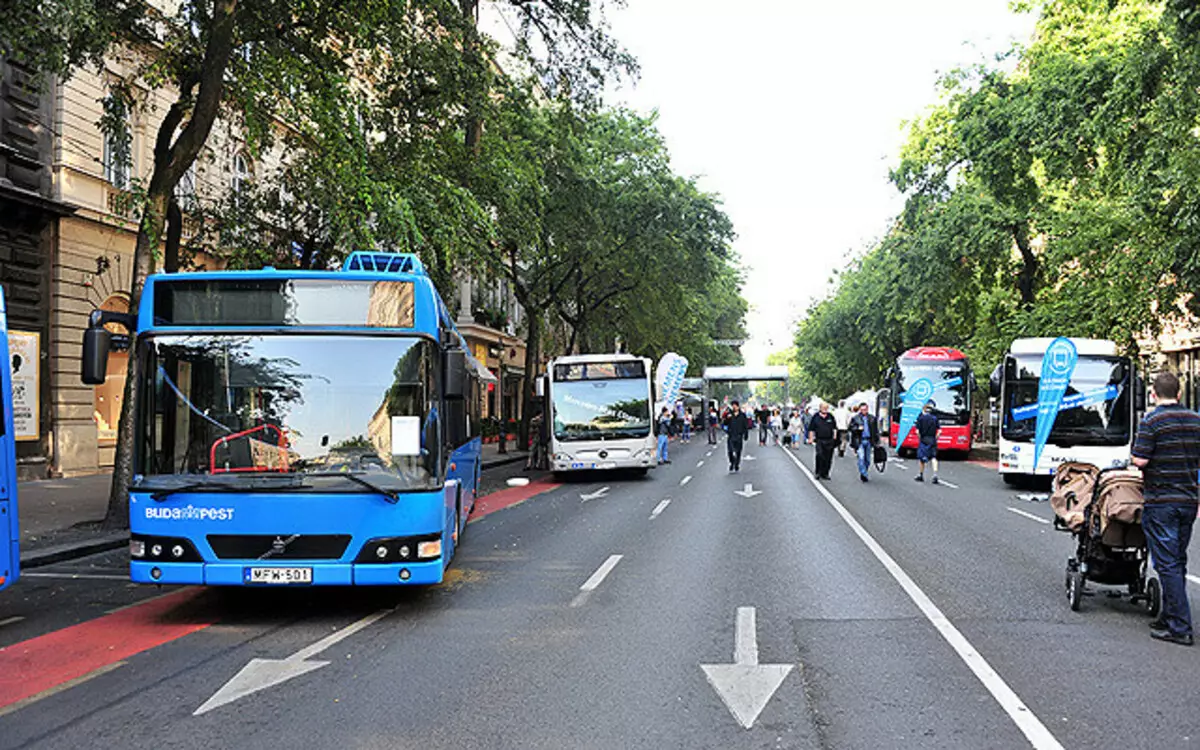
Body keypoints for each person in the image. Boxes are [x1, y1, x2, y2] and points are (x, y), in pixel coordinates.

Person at [1131, 371, 1200, 646]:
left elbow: (1139, 461)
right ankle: (1169, 615)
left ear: (1154, 394)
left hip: (1161, 501)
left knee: (1167, 563)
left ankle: (1180, 627)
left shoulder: (1152, 421)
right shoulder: (1196, 420)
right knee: (1178, 560)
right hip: (1188, 502)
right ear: (1180, 394)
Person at [849, 402, 880, 483]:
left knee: (867, 460)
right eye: (862, 410)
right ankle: (864, 473)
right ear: (859, 410)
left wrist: (877, 441)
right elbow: (851, 428)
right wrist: (857, 428)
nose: (864, 411)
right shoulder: (855, 418)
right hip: (860, 440)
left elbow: (876, 431)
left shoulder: (872, 418)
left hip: (869, 440)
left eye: (865, 409)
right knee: (861, 457)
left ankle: (864, 471)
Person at [807, 401, 838, 479]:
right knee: (820, 455)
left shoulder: (830, 416)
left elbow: (834, 428)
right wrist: (811, 438)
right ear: (820, 408)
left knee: (828, 458)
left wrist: (835, 437)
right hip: (820, 440)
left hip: (829, 440)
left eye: (826, 408)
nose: (825, 409)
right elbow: (811, 429)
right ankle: (818, 472)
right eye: (823, 408)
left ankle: (825, 473)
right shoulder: (816, 417)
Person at [914, 400, 940, 484]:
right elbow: (939, 431)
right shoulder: (935, 418)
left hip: (924, 439)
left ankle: (921, 475)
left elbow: (917, 432)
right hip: (932, 439)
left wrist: (920, 438)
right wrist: (935, 438)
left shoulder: (920, 418)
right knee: (933, 457)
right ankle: (935, 475)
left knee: (922, 458)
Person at [723, 400, 751, 472]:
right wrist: (727, 418)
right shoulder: (729, 414)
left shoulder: (742, 415)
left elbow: (745, 425)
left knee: (738, 451)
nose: (734, 407)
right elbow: (724, 423)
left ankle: (737, 464)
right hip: (731, 435)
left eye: (735, 406)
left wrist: (746, 434)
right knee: (730, 451)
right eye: (733, 406)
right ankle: (732, 462)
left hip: (739, 435)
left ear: (738, 406)